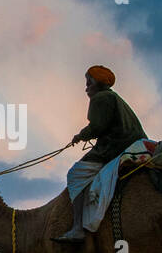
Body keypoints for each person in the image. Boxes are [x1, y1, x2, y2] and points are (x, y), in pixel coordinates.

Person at [53, 65, 147, 243]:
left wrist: (80, 136)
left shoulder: (101, 98)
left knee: (75, 174)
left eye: (89, 81)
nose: (86, 86)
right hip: (132, 143)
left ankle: (78, 228)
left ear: (98, 82)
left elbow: (97, 127)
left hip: (116, 146)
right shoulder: (115, 98)